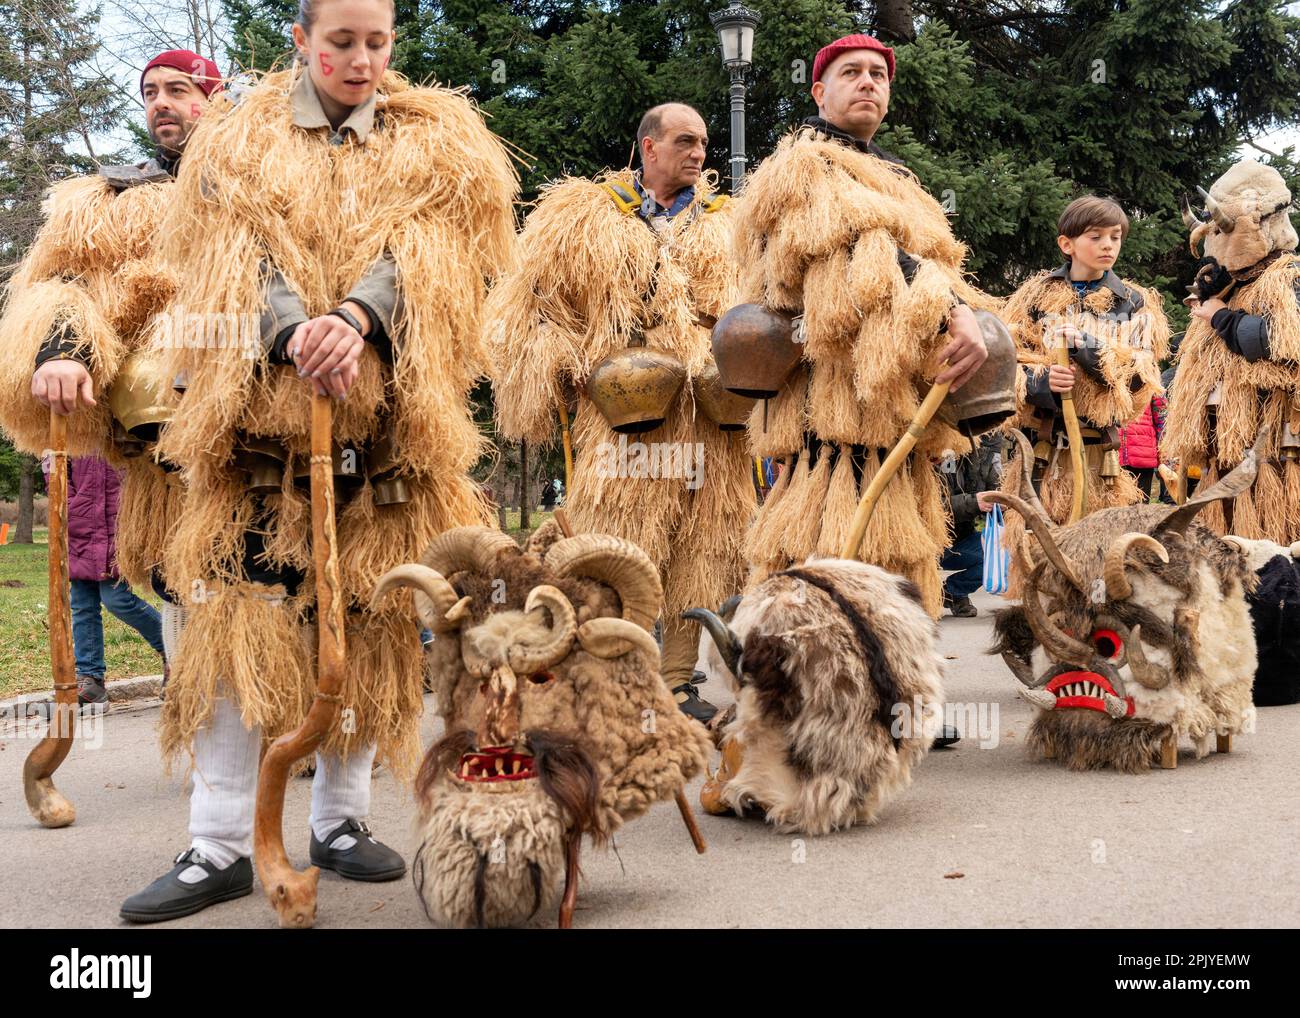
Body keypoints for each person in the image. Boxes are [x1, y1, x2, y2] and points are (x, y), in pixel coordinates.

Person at [119, 0, 517, 923]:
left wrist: (360, 319)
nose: (362, 60)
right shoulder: (238, 142)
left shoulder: (436, 142)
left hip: (381, 457)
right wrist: (295, 331)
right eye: (341, 42)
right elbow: (231, 251)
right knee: (232, 642)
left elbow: (437, 248)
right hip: (255, 456)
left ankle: (341, 822)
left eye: (377, 43)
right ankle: (218, 842)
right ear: (301, 42)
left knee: (371, 638)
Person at [487, 102, 754, 725]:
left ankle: (678, 683)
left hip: (713, 426)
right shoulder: (584, 217)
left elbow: (756, 314)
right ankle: (609, 678)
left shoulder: (728, 225)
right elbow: (527, 312)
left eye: (706, 143)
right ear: (649, 147)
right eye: (685, 141)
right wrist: (566, 362)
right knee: (615, 548)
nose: (699, 153)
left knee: (702, 553)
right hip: (620, 424)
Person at [727, 33, 993, 618]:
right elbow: (860, 249)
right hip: (828, 401)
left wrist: (958, 310)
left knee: (895, 553)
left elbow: (932, 262)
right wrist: (954, 309)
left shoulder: (896, 176)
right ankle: (820, 695)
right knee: (826, 551)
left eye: (879, 73)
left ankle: (888, 697)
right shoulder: (804, 164)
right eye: (852, 72)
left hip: (892, 403)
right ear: (820, 90)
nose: (869, 81)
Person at [0, 50, 220, 650]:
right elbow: (66, 281)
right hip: (162, 457)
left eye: (178, 89)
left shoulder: (260, 179)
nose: (161, 104)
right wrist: (62, 350)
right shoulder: (115, 198)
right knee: (190, 619)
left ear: (214, 97)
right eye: (150, 92)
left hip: (264, 437)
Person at [996, 195, 1168, 592]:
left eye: (1115, 236)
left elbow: (1141, 376)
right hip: (1044, 455)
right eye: (1096, 237)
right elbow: (1004, 362)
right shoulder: (1035, 297)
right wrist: (1041, 385)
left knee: (1094, 561)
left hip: (1099, 459)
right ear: (1067, 244)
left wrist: (1088, 347)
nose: (1109, 245)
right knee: (1037, 558)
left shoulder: (1133, 302)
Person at [1162, 160, 1300, 539]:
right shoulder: (1224, 288)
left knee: (1275, 546)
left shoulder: (1289, 279)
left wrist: (1223, 318)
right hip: (1220, 451)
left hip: (1273, 447)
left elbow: (1284, 342)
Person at [40, 456, 166, 704]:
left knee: (117, 599)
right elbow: (52, 464)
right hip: (79, 523)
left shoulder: (114, 422)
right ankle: (91, 678)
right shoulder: (73, 426)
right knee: (82, 604)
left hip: (119, 523)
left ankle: (174, 650)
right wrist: (68, 503)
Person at [938, 435, 1002, 618]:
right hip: (929, 545)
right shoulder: (936, 456)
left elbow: (990, 492)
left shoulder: (979, 457)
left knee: (1001, 548)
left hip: (959, 541)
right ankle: (920, 590)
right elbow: (930, 508)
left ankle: (952, 591)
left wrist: (1000, 503)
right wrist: (974, 503)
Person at [1118, 393, 1167, 502]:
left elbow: (1163, 421)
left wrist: (1163, 454)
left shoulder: (1151, 383)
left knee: (1140, 508)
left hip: (1143, 456)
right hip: (1116, 455)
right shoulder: (1108, 380)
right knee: (1116, 508)